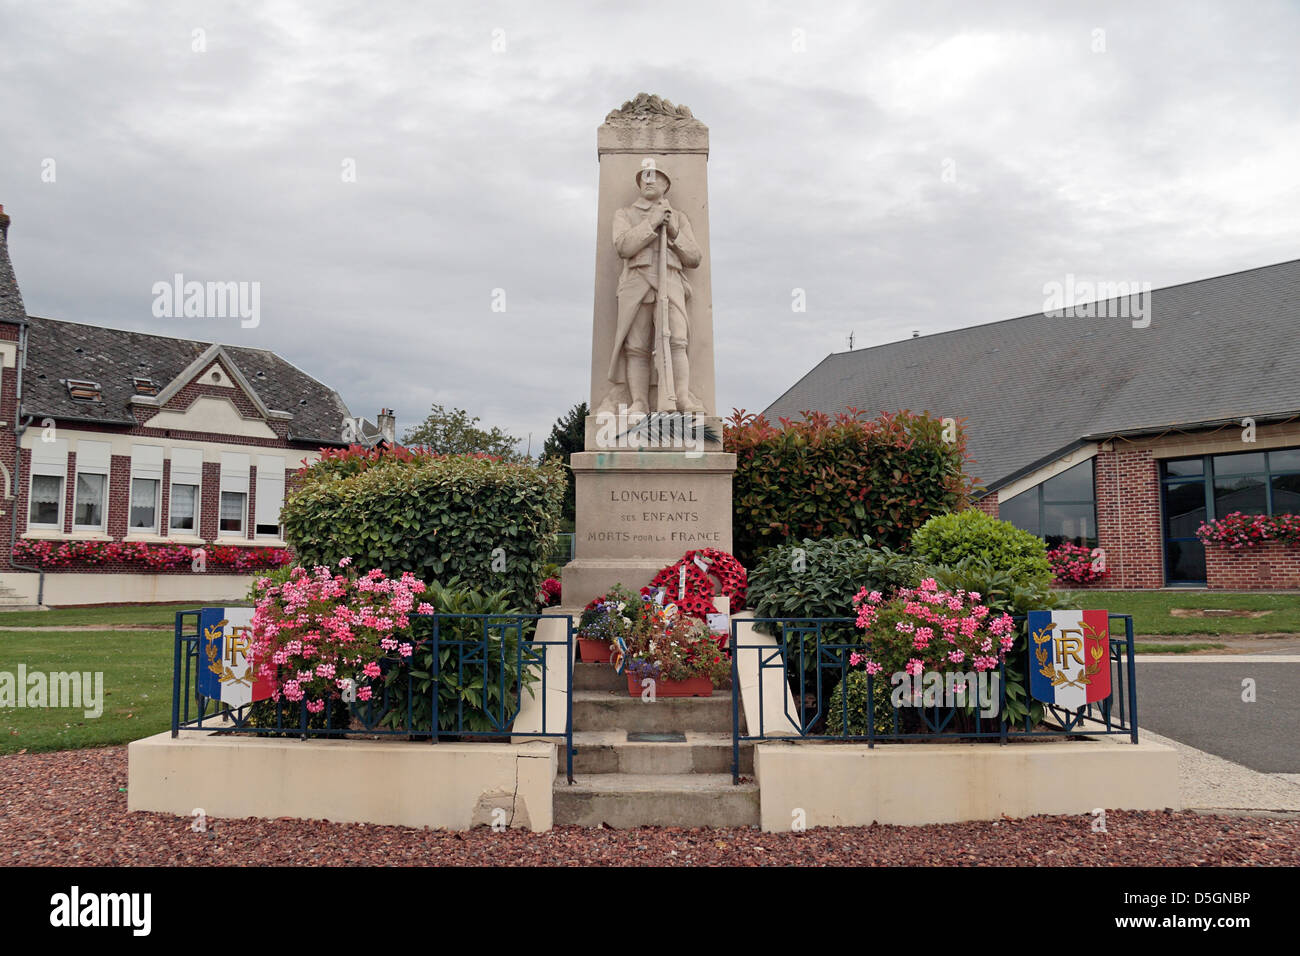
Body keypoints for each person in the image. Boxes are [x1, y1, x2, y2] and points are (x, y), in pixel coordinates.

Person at [607, 162, 704, 413]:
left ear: (665, 185)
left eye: (655, 177)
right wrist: (651, 223)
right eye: (645, 177)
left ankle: (681, 397)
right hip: (637, 282)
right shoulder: (625, 214)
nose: (649, 181)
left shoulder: (679, 218)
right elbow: (623, 247)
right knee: (637, 346)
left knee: (677, 341)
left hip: (669, 280)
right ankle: (639, 401)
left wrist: (672, 231)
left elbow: (694, 257)